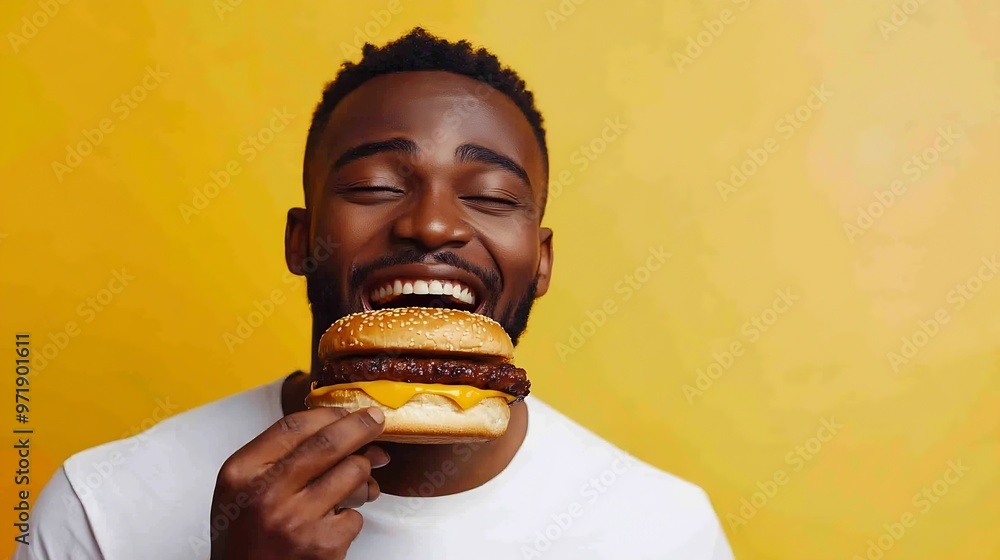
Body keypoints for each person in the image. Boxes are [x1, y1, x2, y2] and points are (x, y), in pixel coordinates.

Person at [15, 28, 734, 559]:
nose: (430, 223)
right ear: (301, 241)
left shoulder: (662, 530)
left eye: (488, 196)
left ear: (540, 261)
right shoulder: (102, 505)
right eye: (374, 187)